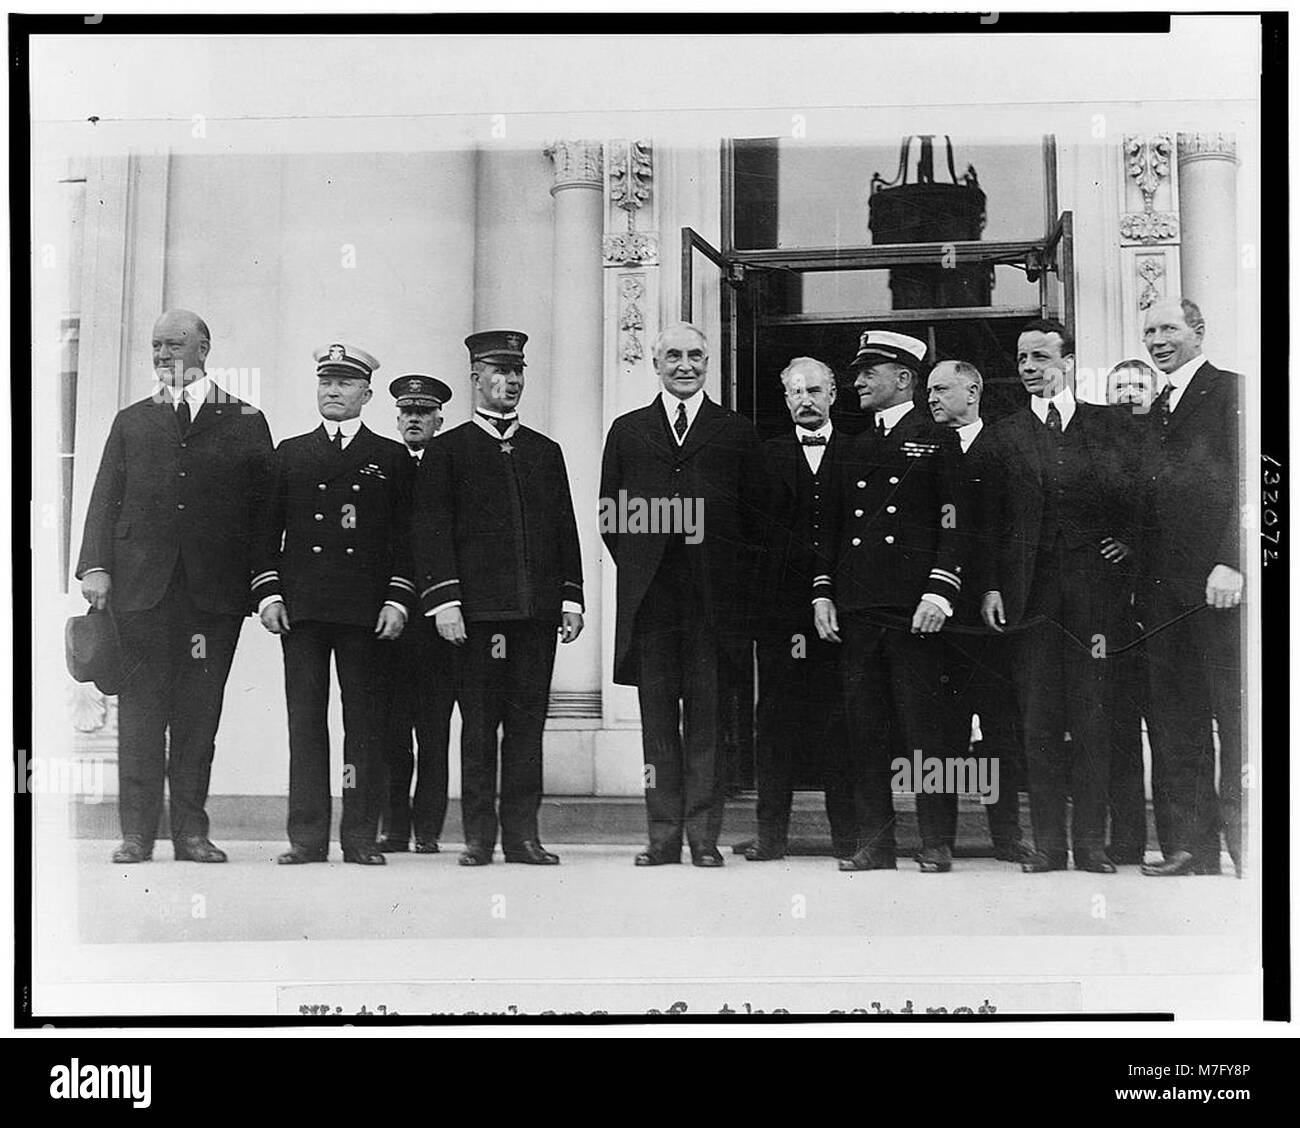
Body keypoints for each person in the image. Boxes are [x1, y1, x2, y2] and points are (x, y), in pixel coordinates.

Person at [77, 309, 273, 864]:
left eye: (174, 344)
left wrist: (262, 586)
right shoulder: (133, 420)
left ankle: (191, 832)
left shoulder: (245, 419)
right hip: (141, 594)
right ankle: (136, 834)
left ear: (204, 348)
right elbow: (104, 498)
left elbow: (264, 513)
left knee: (198, 715)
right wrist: (95, 566)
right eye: (156, 345)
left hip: (213, 597)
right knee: (140, 715)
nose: (162, 354)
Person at [412, 331, 584, 867]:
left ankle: (522, 837)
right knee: (481, 728)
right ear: (475, 379)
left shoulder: (544, 450)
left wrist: (571, 600)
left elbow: (564, 530)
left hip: (534, 616)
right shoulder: (448, 450)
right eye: (498, 373)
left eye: (516, 373)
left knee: (527, 730)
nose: (509, 383)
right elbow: (431, 532)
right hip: (478, 620)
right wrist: (446, 603)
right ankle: (480, 838)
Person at [600, 322, 767, 868]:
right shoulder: (628, 431)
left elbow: (753, 518)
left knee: (707, 724)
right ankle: (662, 837)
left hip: (712, 603)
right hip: (653, 603)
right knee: (657, 727)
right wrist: (646, 558)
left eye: (695, 355)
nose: (685, 365)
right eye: (673, 355)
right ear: (655, 362)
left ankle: (703, 837)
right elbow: (610, 515)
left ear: (709, 361)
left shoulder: (736, 431)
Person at [979, 319, 1140, 875]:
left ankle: (1091, 845)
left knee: (1094, 715)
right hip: (1031, 597)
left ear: (1068, 362)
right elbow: (989, 523)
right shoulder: (1005, 436)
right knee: (1039, 719)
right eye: (1022, 358)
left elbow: (1141, 495)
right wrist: (994, 586)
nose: (1028, 367)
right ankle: (1049, 844)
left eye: (1040, 357)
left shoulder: (1110, 425)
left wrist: (1127, 542)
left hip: (1096, 595)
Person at [253, 342, 416, 866]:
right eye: (326, 381)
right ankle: (306, 837)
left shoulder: (389, 457)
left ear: (366, 394)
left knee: (364, 724)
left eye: (345, 383)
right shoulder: (291, 453)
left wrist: (398, 598)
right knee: (305, 721)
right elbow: (264, 530)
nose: (332, 391)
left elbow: (408, 538)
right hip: (302, 608)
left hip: (366, 612)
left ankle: (361, 837)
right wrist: (269, 592)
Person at [813, 331, 965, 874]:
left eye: (867, 373)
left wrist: (940, 590)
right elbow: (827, 529)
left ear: (903, 379)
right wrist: (824, 593)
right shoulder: (851, 445)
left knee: (926, 729)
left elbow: (954, 521)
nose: (856, 382)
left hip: (914, 610)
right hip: (857, 609)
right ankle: (876, 844)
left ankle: (935, 840)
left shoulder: (937, 438)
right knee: (865, 729)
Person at [1137, 299, 1244, 878]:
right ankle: (1190, 848)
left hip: (1219, 589)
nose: (1157, 339)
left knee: (1238, 718)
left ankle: (1250, 848)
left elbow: (1265, 476)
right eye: (1149, 330)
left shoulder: (1233, 391)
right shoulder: (1153, 408)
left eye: (1168, 329)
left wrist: (1234, 561)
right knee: (1175, 721)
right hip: (1163, 595)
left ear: (1198, 332)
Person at [747, 357, 855, 861]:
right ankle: (771, 834)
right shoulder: (762, 456)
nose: (806, 399)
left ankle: (848, 836)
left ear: (834, 392)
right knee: (775, 719)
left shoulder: (860, 451)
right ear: (785, 398)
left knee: (843, 719)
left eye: (815, 389)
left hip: (845, 613)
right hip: (779, 612)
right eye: (796, 392)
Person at [925, 359, 1031, 863]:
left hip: (993, 617)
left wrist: (995, 587)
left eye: (942, 389)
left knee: (997, 730)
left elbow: (1015, 531)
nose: (933, 398)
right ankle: (939, 838)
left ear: (974, 389)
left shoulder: (1009, 445)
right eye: (928, 390)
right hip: (939, 620)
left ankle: (1006, 835)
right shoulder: (924, 447)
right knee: (940, 730)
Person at [376, 374, 458, 854]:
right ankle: (394, 825)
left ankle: (428, 828)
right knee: (391, 729)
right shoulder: (385, 466)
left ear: (438, 419)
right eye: (407, 412)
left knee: (434, 730)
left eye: (423, 413)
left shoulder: (451, 464)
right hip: (392, 620)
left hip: (438, 621)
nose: (414, 419)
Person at [1103, 358, 1163, 864]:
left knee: (1170, 727)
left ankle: (1178, 837)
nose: (1128, 393)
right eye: (1118, 385)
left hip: (1167, 604)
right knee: (1119, 727)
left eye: (1137, 384)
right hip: (1113, 611)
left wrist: (1133, 544)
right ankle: (1125, 838)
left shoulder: (1171, 435)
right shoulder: (1100, 441)